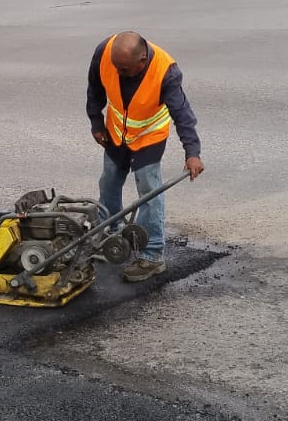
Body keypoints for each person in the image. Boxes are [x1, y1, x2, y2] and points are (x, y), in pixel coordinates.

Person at [86, 31, 203, 282]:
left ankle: (152, 256)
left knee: (149, 189)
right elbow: (94, 87)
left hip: (148, 136)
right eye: (116, 67)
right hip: (116, 132)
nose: (118, 73)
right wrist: (96, 121)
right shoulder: (105, 52)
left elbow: (182, 114)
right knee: (109, 182)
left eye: (125, 69)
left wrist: (192, 153)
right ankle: (110, 237)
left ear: (142, 60)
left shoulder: (165, 71)